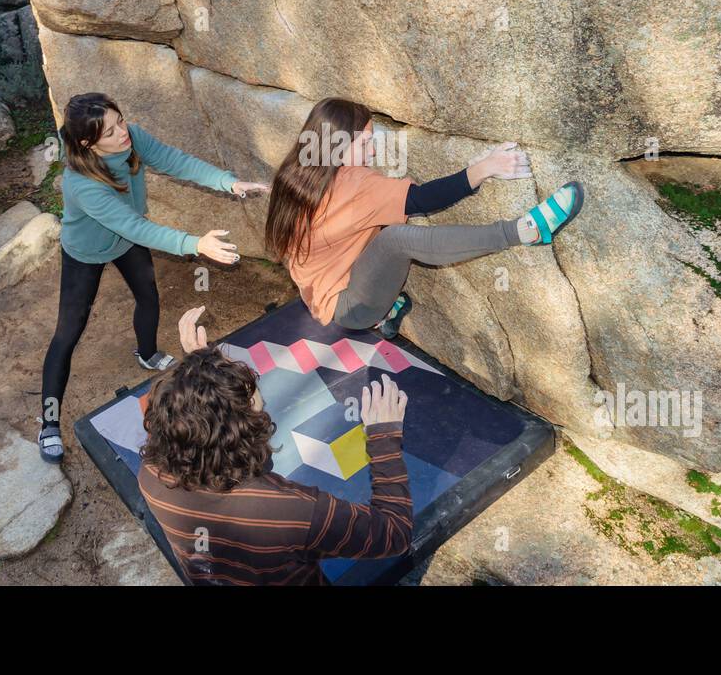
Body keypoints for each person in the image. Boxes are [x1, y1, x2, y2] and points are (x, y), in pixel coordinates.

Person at [37, 93, 270, 463]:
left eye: (121, 120)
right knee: (68, 333)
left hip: (127, 239)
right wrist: (195, 244)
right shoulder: (79, 183)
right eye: (109, 131)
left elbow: (175, 161)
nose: (122, 133)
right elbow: (131, 225)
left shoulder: (131, 139)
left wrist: (229, 182)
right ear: (87, 143)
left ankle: (146, 353)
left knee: (148, 295)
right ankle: (49, 422)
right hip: (86, 252)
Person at [137, 306, 413, 585]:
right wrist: (384, 438)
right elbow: (395, 533)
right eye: (258, 408)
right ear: (242, 435)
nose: (263, 411)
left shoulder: (151, 473)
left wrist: (203, 371)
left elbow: (195, 424)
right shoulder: (294, 512)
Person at [264, 97, 584, 335]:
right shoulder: (354, 184)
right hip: (351, 308)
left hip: (322, 297)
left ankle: (387, 311)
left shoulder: (297, 173)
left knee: (386, 219)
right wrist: (484, 168)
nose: (372, 151)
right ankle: (525, 231)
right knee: (395, 238)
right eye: (366, 142)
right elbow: (423, 200)